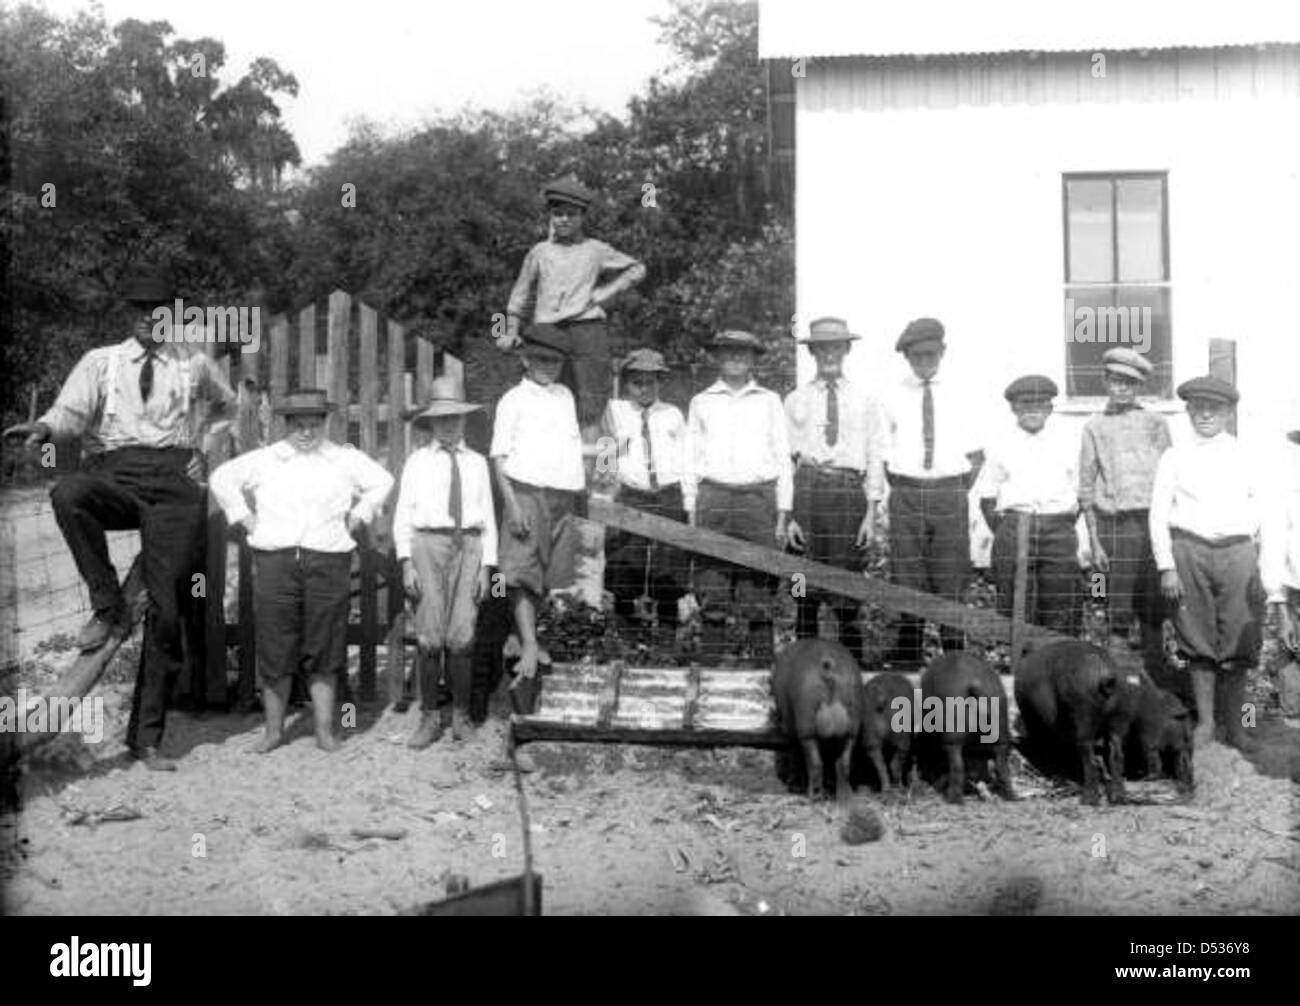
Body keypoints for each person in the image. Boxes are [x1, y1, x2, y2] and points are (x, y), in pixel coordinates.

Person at [3, 266, 236, 771]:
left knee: (168, 614)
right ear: (128, 315)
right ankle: (107, 603)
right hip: (117, 471)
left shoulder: (193, 363)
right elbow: (70, 411)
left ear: (172, 317)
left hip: (175, 483)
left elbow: (229, 407)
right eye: (139, 311)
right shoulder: (101, 362)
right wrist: (44, 427)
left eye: (158, 311)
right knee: (69, 493)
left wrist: (206, 447)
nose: (149, 319)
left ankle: (146, 739)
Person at [209, 389, 394, 754]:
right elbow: (220, 479)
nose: (307, 432)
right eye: (299, 425)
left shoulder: (342, 459)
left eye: (314, 424)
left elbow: (383, 482)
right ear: (286, 425)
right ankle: (273, 732)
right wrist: (246, 519)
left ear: (325, 423)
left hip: (328, 562)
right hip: (276, 562)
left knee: (324, 646)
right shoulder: (266, 460)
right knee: (276, 646)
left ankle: (325, 731)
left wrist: (360, 515)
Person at [1149, 376, 1262, 751]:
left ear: (1229, 412)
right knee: (1196, 638)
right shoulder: (1175, 456)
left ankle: (1240, 725)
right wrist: (1166, 564)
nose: (1206, 415)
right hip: (1189, 551)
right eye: (1198, 408)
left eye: (1215, 408)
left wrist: (1259, 559)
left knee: (1239, 640)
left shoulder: (1246, 454)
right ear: (1189, 411)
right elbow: (1158, 514)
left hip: (1238, 552)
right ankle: (1207, 723)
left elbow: (1264, 508)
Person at [393, 378, 498, 748]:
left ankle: (461, 716)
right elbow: (403, 514)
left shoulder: (477, 464)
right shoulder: (418, 462)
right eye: (442, 419)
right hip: (427, 544)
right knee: (429, 636)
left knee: (463, 636)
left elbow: (487, 516)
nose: (449, 425)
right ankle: (429, 718)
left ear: (465, 421)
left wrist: (488, 567)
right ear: (430, 423)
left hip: (468, 545)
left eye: (456, 418)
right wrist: (406, 561)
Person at [502, 178, 646, 446]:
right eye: (558, 214)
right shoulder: (539, 251)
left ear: (582, 217)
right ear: (550, 217)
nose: (564, 220)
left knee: (589, 406)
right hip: (547, 333)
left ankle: (589, 481)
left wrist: (606, 292)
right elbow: (519, 295)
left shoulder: (595, 249)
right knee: (544, 400)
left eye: (571, 214)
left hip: (587, 331)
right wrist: (508, 331)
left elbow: (637, 269)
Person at [877, 318, 984, 661]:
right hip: (907, 493)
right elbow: (882, 451)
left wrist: (950, 487)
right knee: (908, 573)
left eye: (930, 355)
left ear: (943, 352)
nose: (924, 362)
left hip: (949, 492)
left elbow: (976, 455)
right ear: (906, 357)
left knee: (950, 573)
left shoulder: (961, 393)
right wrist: (908, 486)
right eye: (916, 356)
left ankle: (955, 653)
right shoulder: (891, 396)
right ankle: (909, 651)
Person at [682, 329, 793, 657]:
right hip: (713, 498)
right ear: (717, 357)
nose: (734, 359)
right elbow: (691, 457)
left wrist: (783, 514)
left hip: (756, 500)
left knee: (757, 587)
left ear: (754, 359)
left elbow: (782, 457)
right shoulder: (701, 401)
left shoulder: (770, 401)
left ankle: (762, 673)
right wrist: (692, 508)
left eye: (742, 353)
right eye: (727, 352)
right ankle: (710, 669)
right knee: (712, 584)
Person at [783, 316, 887, 657]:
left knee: (847, 588)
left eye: (836, 347)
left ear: (846, 350)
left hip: (847, 493)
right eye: (822, 347)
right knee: (802, 584)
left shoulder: (865, 399)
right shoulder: (795, 399)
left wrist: (870, 515)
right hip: (808, 490)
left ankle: (851, 663)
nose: (829, 354)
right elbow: (786, 460)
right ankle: (802, 658)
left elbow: (875, 455)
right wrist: (790, 516)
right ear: (812, 352)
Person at [491, 324, 585, 693]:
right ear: (525, 358)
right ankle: (528, 643)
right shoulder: (513, 400)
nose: (549, 366)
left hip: (563, 495)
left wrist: (610, 455)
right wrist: (512, 505)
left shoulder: (565, 396)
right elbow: (498, 457)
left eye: (556, 361)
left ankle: (528, 639)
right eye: (542, 359)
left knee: (549, 574)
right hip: (527, 493)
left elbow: (569, 447)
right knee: (518, 572)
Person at [1078, 347, 1172, 677]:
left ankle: (1156, 678)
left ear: (1139, 386)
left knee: (1152, 605)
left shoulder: (1155, 423)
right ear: (1105, 381)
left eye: (1129, 383)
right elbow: (1086, 489)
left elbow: (1169, 476)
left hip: (1151, 525)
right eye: (1115, 381)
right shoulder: (1094, 426)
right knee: (1110, 601)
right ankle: (1114, 675)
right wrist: (1095, 541)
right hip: (1113, 527)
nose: (1121, 389)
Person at [976, 375, 1081, 635]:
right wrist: (1007, 528)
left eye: (1039, 405)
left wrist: (1058, 523)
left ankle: (1057, 662)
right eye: (1025, 405)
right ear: (1014, 408)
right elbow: (987, 497)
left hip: (1057, 529)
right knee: (1015, 602)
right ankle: (1019, 666)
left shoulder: (1067, 443)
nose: (1032, 411)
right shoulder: (1000, 445)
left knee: (1060, 601)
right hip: (1014, 527)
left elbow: (1080, 494)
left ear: (1050, 408)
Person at [599, 348, 687, 626]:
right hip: (632, 495)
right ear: (626, 383)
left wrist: (688, 500)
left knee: (669, 568)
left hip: (668, 495)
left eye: (651, 382)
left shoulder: (672, 414)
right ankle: (624, 638)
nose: (644, 388)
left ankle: (667, 640)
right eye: (637, 382)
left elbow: (686, 457)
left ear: (661, 383)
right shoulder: (615, 412)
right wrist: (605, 490)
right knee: (625, 564)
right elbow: (606, 459)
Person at [1260, 406, 1300, 715]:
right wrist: (1280, 603)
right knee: (1293, 667)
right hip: (1297, 593)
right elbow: (1273, 544)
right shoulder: (1288, 493)